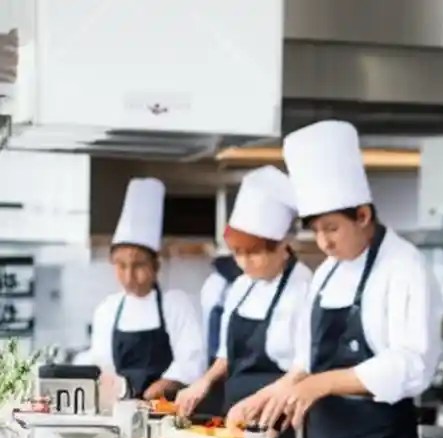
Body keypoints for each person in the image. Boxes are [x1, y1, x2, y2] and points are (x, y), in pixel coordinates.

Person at [238, 120, 443, 438]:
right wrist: (267, 396)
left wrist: (324, 383)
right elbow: (308, 360)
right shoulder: (327, 271)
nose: (324, 243)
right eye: (316, 231)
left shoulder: (404, 266)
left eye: (332, 228)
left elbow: (413, 365)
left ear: (362, 216)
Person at [175, 166, 312, 423]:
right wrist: (202, 383)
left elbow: (303, 368)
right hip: (236, 413)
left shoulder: (303, 288)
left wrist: (258, 402)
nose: (243, 262)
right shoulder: (241, 286)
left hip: (277, 418)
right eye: (237, 252)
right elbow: (226, 355)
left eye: (253, 252)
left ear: (282, 246)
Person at [88, 178, 205, 401]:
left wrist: (158, 390)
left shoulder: (175, 304)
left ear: (156, 265)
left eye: (138, 265)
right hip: (122, 405)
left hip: (166, 409)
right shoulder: (108, 309)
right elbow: (102, 365)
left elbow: (191, 361)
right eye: (121, 266)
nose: (129, 276)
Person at [194, 254, 243, 417]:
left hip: (257, 390)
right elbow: (223, 350)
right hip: (219, 381)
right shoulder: (213, 284)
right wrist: (205, 380)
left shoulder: (298, 282)